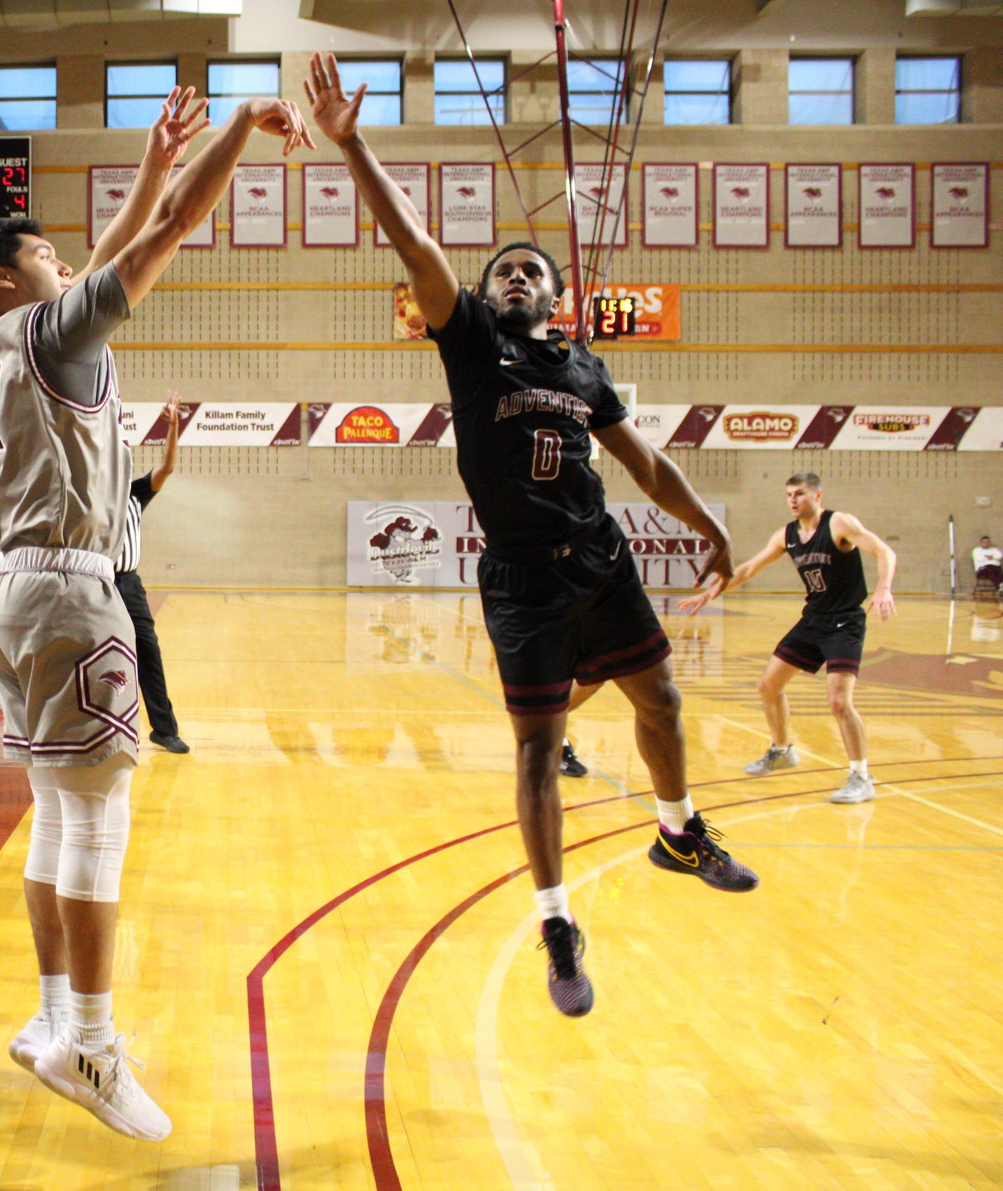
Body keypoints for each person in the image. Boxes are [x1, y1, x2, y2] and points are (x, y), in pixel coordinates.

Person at [301, 53, 756, 1021]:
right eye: (503, 268)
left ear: (553, 298)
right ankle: (557, 920)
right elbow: (416, 241)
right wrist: (354, 146)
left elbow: (644, 465)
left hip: (603, 557)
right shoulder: (467, 335)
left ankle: (677, 831)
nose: (514, 277)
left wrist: (709, 521)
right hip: (521, 582)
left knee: (662, 700)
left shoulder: (584, 368)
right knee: (538, 750)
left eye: (530, 272)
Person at [0, 81, 308, 1139]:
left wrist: (152, 160)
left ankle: (57, 1017)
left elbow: (111, 250)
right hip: (68, 587)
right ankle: (95, 1047)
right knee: (97, 815)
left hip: (9, 592)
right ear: (15, 277)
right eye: (50, 253)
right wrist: (239, 130)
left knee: (57, 811)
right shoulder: (51, 331)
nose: (73, 262)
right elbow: (169, 234)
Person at [678, 472, 897, 805]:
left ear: (818, 495)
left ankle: (861, 777)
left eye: (799, 494)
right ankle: (781, 750)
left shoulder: (839, 524)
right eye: (788, 495)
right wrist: (711, 593)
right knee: (768, 685)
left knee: (839, 701)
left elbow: (884, 552)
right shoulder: (787, 535)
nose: (793, 500)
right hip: (813, 620)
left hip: (845, 621)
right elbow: (750, 569)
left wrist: (883, 588)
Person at [116, 391, 188, 754]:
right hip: (93, 584)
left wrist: (172, 426)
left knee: (149, 653)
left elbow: (168, 467)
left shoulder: (136, 493)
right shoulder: (85, 497)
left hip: (127, 584)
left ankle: (163, 729)